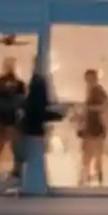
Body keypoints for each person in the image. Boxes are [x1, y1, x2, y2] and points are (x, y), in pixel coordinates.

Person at [16, 57, 63, 196]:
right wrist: (56, 115)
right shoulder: (39, 83)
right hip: (34, 129)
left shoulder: (35, 82)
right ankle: (34, 187)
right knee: (36, 157)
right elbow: (37, 110)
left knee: (33, 158)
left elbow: (33, 107)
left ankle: (32, 186)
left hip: (31, 128)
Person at [78, 69, 108, 186]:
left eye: (90, 79)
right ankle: (90, 175)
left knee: (92, 153)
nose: (88, 81)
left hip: (95, 126)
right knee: (90, 153)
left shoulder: (97, 90)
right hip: (91, 126)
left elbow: (105, 105)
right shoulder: (91, 90)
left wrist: (90, 109)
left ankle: (91, 176)